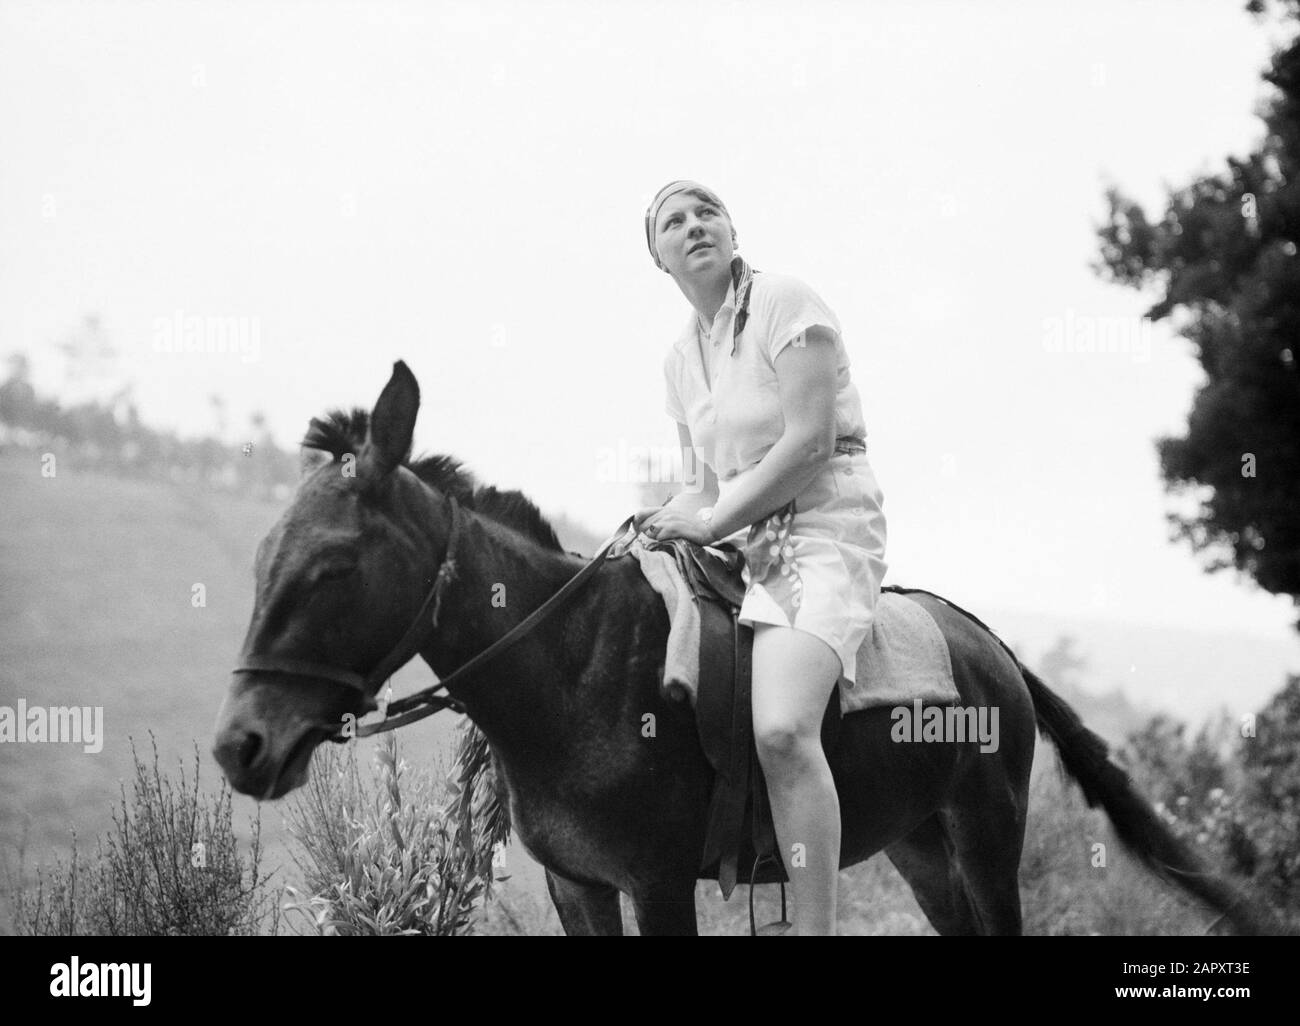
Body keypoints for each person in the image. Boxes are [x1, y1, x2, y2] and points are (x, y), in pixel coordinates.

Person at [632, 180, 888, 936]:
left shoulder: (786, 300)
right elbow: (699, 486)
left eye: (706, 211)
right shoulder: (680, 360)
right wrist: (658, 527)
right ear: (659, 258)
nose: (693, 225)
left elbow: (808, 443)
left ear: (732, 228)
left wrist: (709, 522)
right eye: (672, 222)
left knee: (780, 728)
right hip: (742, 534)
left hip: (821, 520)